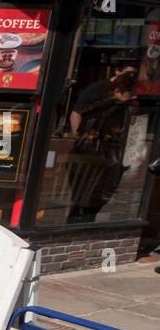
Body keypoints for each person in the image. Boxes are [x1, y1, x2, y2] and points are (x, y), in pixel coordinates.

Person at [67, 68, 136, 223]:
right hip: (95, 156)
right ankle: (81, 222)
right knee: (88, 197)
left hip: (92, 155)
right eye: (127, 94)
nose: (129, 98)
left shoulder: (117, 106)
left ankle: (81, 221)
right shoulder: (108, 104)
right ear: (119, 91)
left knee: (86, 198)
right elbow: (76, 115)